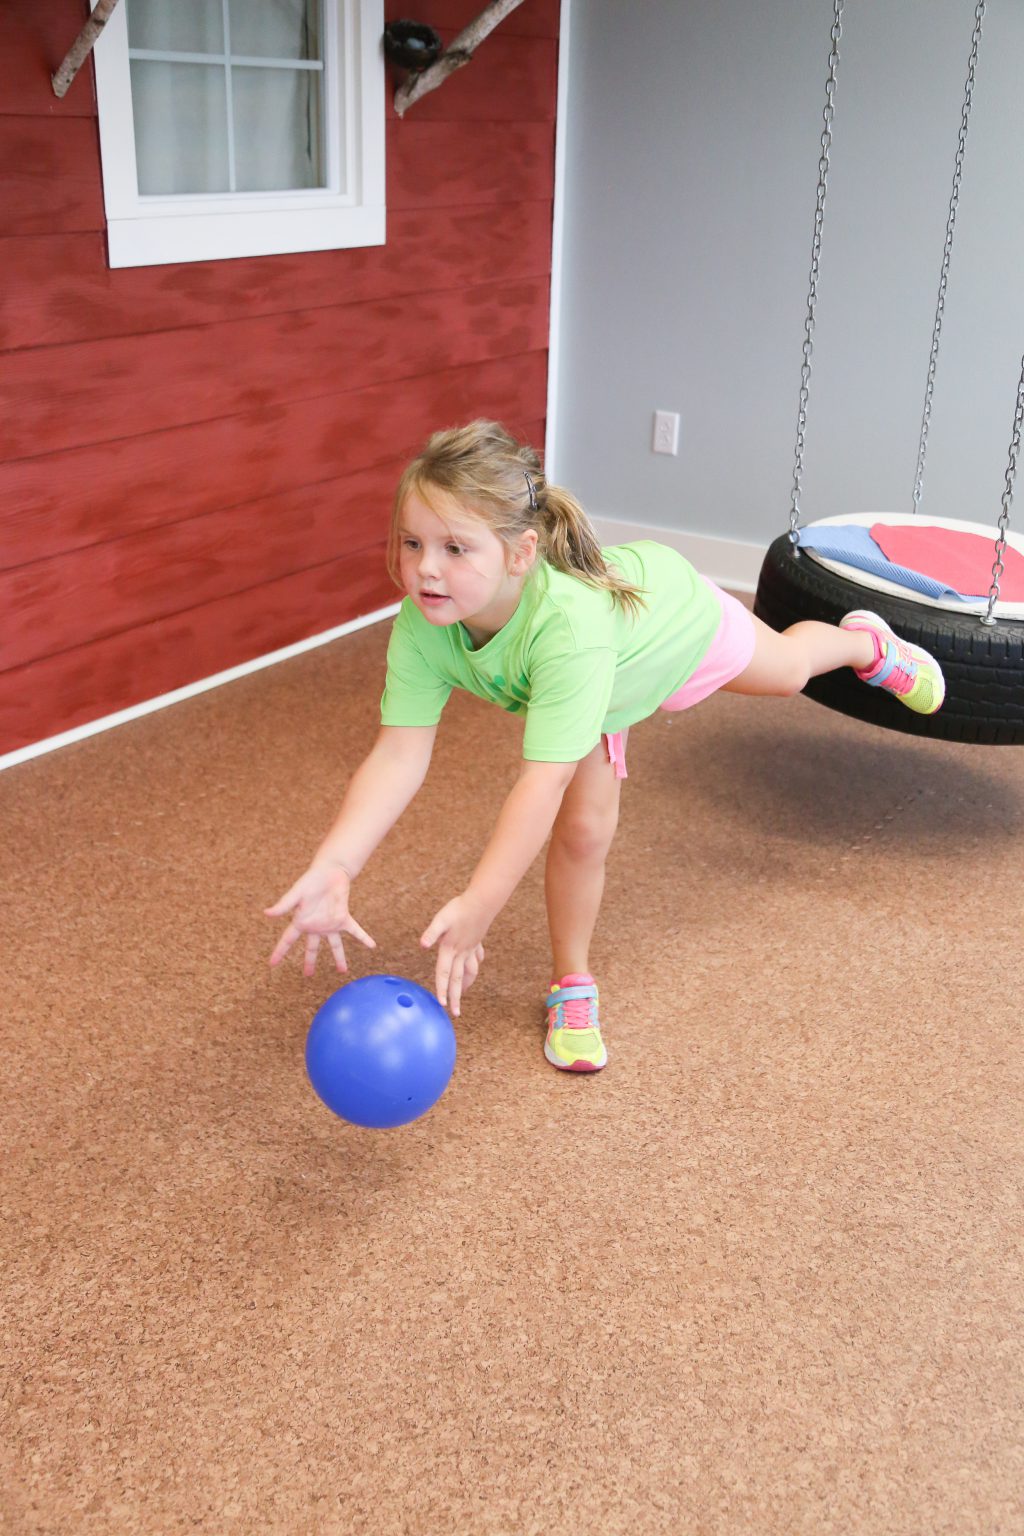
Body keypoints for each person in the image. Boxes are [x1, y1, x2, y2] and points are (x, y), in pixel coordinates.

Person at [266, 420, 945, 1073]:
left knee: (790, 672)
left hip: (670, 624)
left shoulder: (569, 628)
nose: (425, 570)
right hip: (594, 688)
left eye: (454, 548)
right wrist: (336, 863)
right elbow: (399, 754)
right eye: (412, 543)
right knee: (586, 831)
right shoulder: (423, 623)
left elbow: (539, 782)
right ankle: (573, 983)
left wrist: (479, 905)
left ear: (520, 553)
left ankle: (865, 644)